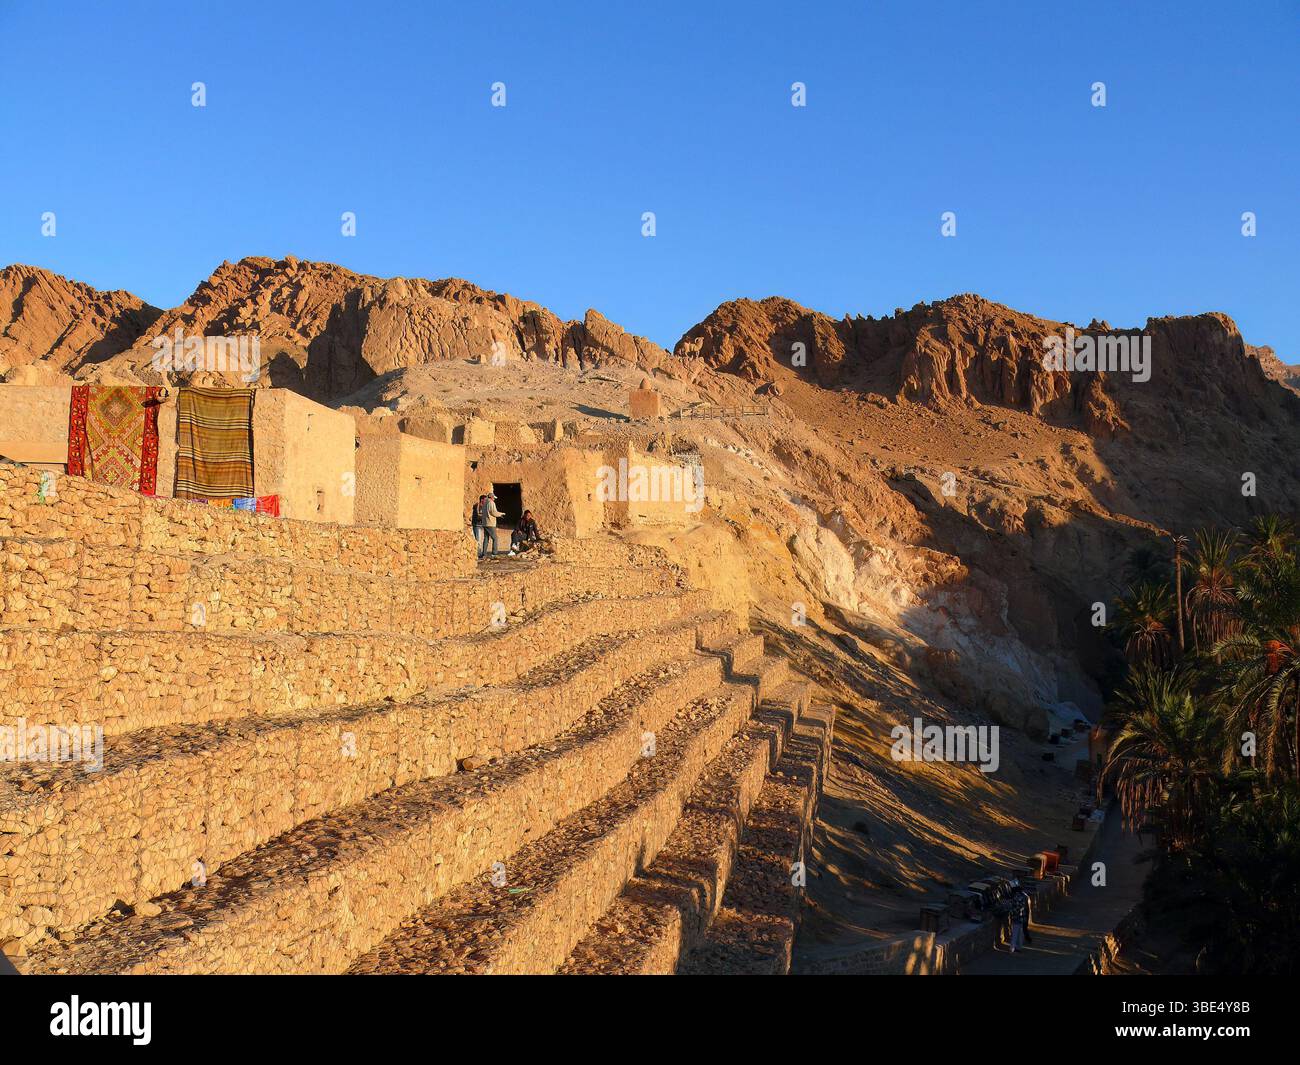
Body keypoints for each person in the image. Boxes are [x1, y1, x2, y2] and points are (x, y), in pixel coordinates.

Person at [479, 491, 503, 559]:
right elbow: (493, 512)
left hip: (485, 523)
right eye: (494, 498)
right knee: (495, 538)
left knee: (486, 538)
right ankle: (494, 553)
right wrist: (500, 514)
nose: (494, 499)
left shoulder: (485, 503)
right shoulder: (491, 502)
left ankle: (484, 554)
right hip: (490, 523)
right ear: (491, 497)